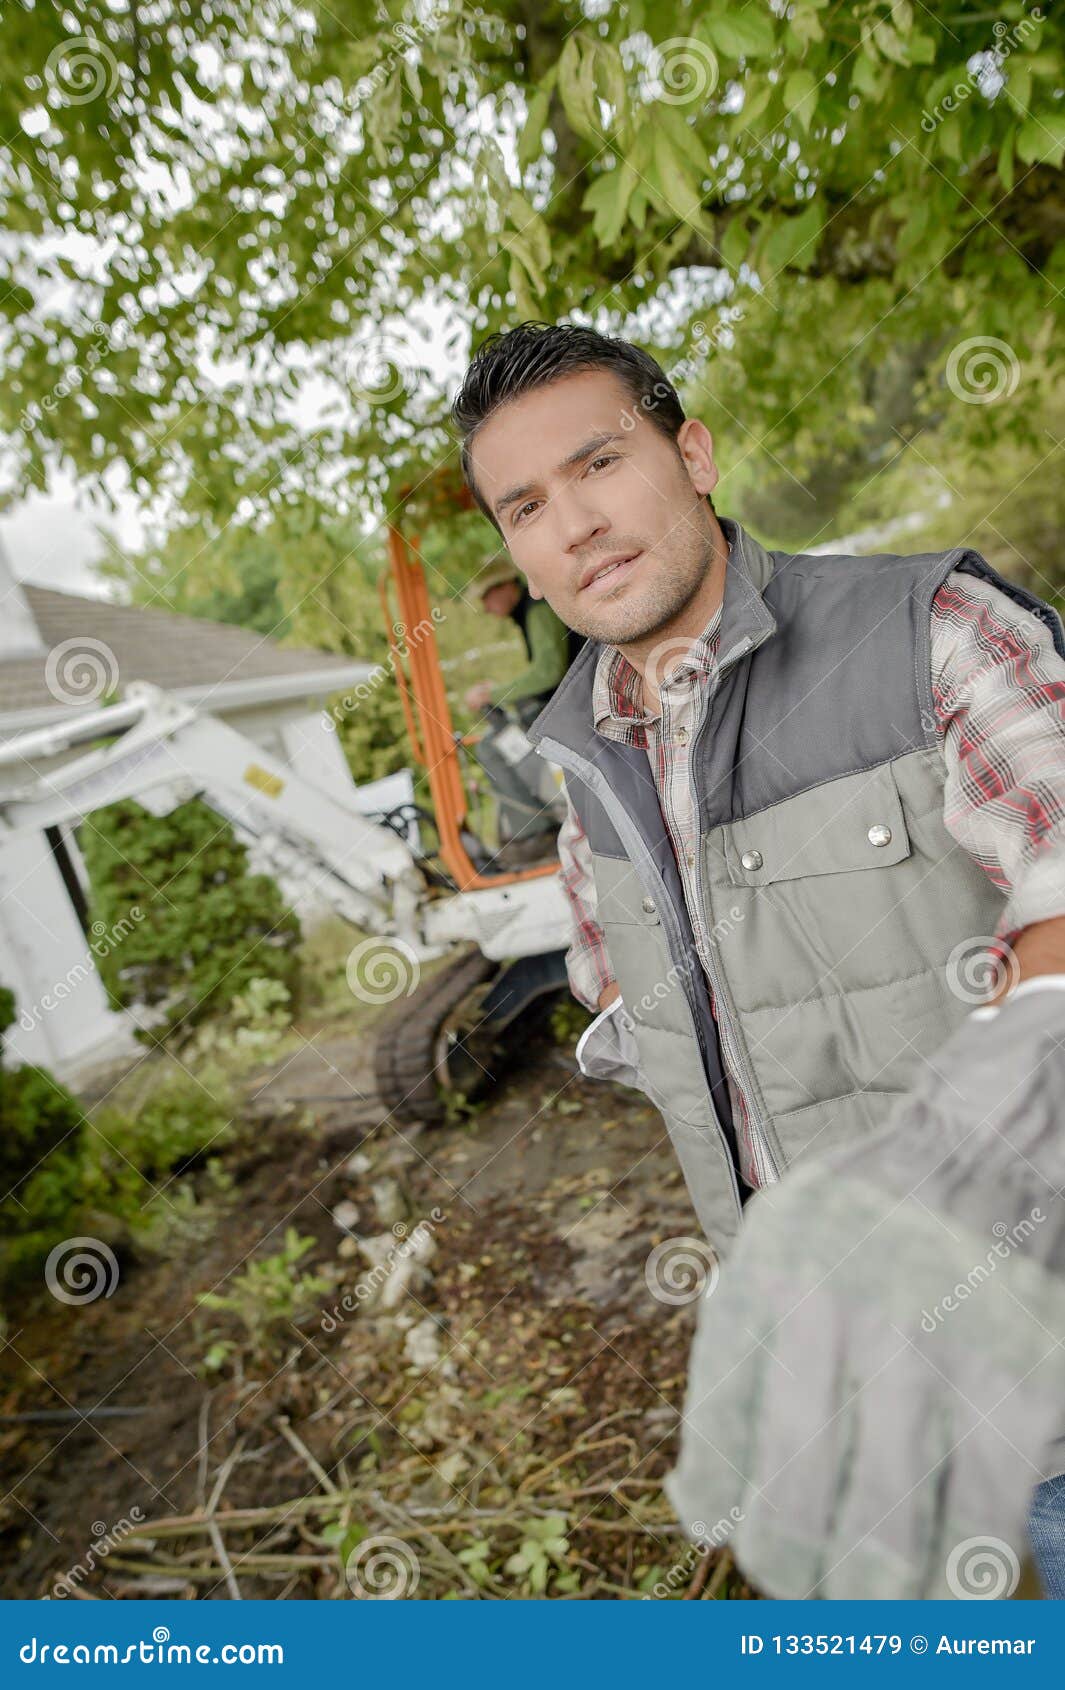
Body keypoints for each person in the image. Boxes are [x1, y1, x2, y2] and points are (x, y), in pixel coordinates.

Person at [450, 319, 1065, 1594]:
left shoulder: (928, 631)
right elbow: (671, 1037)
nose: (575, 524)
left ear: (695, 454)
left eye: (602, 463)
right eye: (525, 506)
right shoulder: (587, 782)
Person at [464, 554, 583, 723]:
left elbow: (547, 673)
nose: (485, 608)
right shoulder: (529, 611)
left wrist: (492, 695)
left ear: (504, 585)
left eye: (485, 597)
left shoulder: (538, 611)